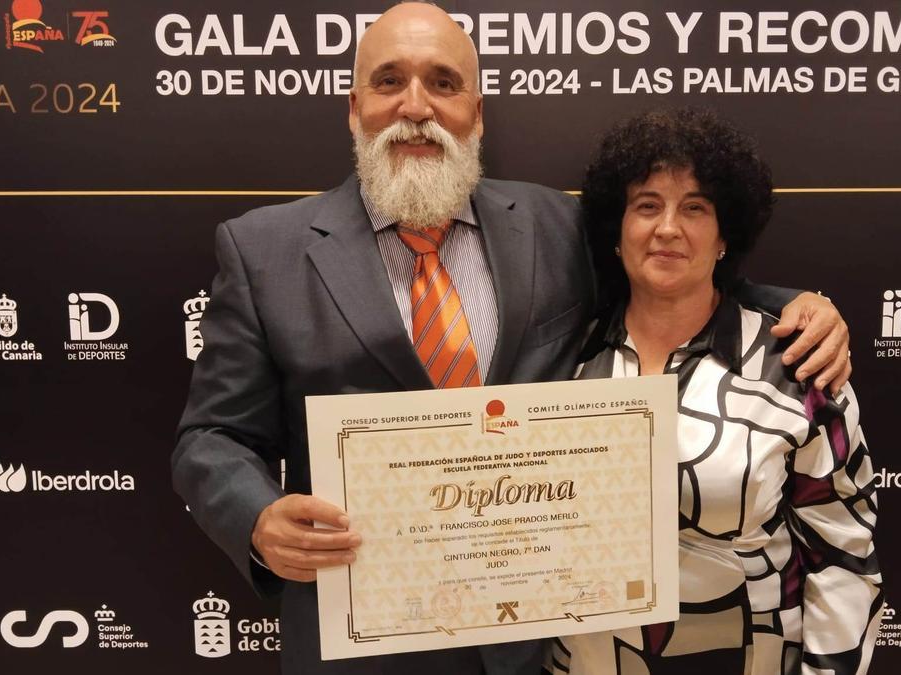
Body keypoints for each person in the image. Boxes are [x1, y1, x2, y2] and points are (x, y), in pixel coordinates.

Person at [172, 4, 854, 674]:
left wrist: (793, 305)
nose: (416, 106)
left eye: (443, 83)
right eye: (389, 81)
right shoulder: (265, 250)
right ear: (354, 108)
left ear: (477, 112)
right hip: (361, 641)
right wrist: (258, 518)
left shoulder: (555, 224)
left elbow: (668, 278)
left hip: (534, 647)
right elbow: (210, 438)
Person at [546, 108, 882, 674]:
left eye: (695, 208)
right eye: (647, 205)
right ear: (617, 228)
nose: (669, 227)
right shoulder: (560, 363)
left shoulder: (796, 367)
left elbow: (843, 556)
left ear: (726, 235)